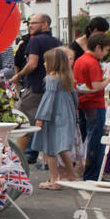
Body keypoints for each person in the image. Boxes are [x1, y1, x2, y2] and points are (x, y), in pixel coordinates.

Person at [10, 13, 62, 162]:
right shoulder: (56, 42)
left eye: (34, 23)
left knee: (22, 125)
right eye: (29, 23)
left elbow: (32, 64)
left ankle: (18, 161)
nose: (30, 26)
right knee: (45, 126)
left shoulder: (35, 41)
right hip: (52, 87)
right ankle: (43, 160)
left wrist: (18, 76)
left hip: (34, 88)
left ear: (45, 24)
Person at [73, 31, 110, 182]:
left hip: (83, 104)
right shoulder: (92, 62)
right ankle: (92, 175)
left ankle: (88, 172)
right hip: (94, 104)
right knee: (95, 141)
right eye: (105, 50)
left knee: (87, 139)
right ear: (98, 47)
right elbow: (97, 86)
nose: (106, 54)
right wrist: (109, 79)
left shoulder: (80, 60)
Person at [31, 47, 80, 190]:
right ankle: (71, 175)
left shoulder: (52, 78)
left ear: (53, 63)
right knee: (61, 149)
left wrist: (41, 117)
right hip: (66, 116)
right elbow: (74, 99)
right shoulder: (67, 78)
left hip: (53, 118)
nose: (44, 64)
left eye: (46, 62)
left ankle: (54, 179)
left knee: (50, 149)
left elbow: (48, 99)